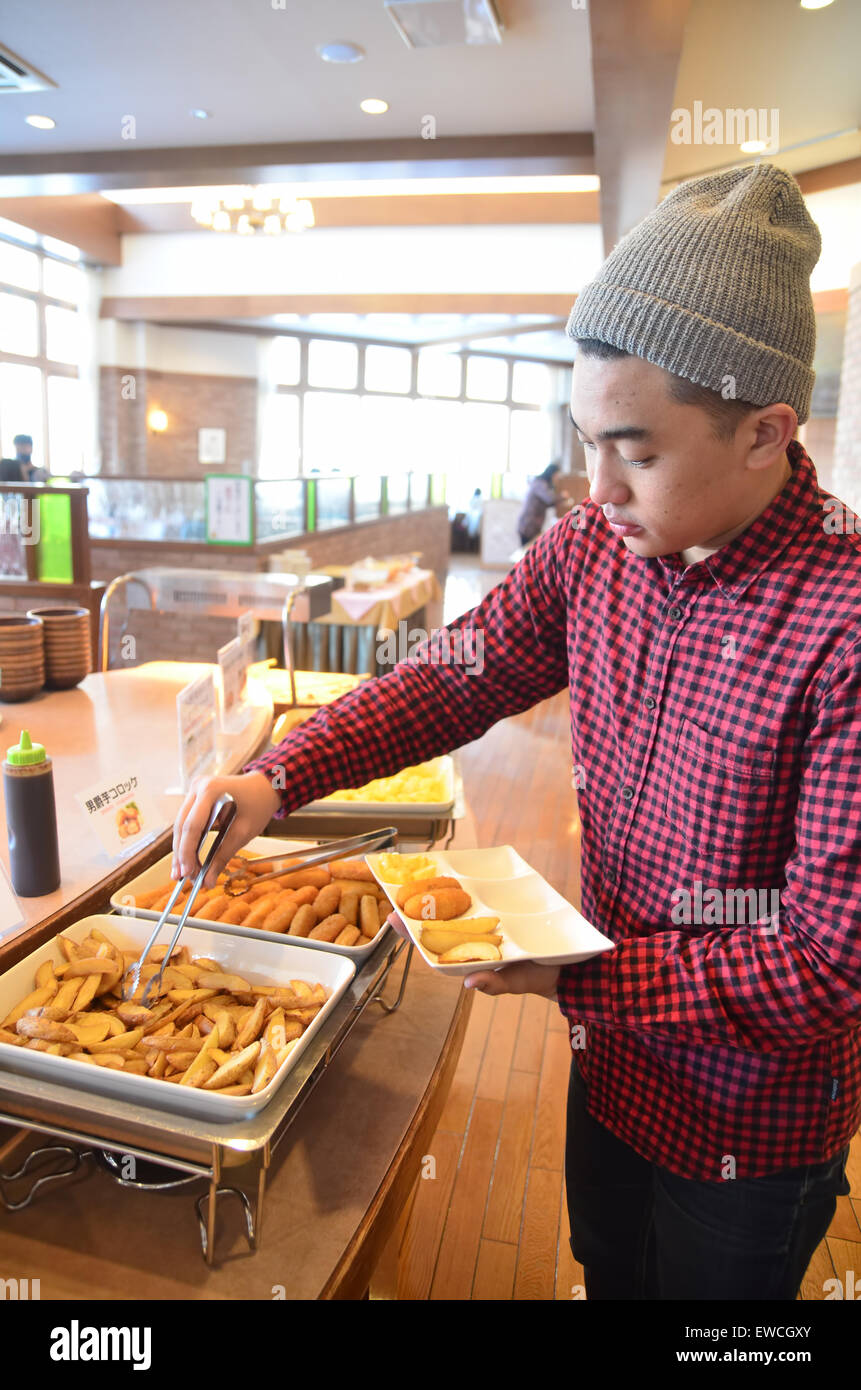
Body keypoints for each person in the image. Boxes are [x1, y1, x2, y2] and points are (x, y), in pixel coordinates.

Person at [172, 164, 860, 1302]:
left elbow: (824, 963)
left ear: (765, 432)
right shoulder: (596, 547)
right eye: (582, 440)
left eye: (633, 451)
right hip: (622, 1061)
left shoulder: (839, 618)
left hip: (758, 1108)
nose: (595, 488)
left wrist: (574, 979)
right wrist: (277, 775)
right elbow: (451, 674)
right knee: (605, 1271)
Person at [517, 462, 559, 547]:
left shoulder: (541, 483)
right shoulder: (540, 484)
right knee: (526, 552)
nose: (557, 478)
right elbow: (550, 499)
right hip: (528, 524)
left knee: (529, 550)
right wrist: (562, 497)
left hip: (532, 524)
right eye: (556, 475)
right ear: (551, 474)